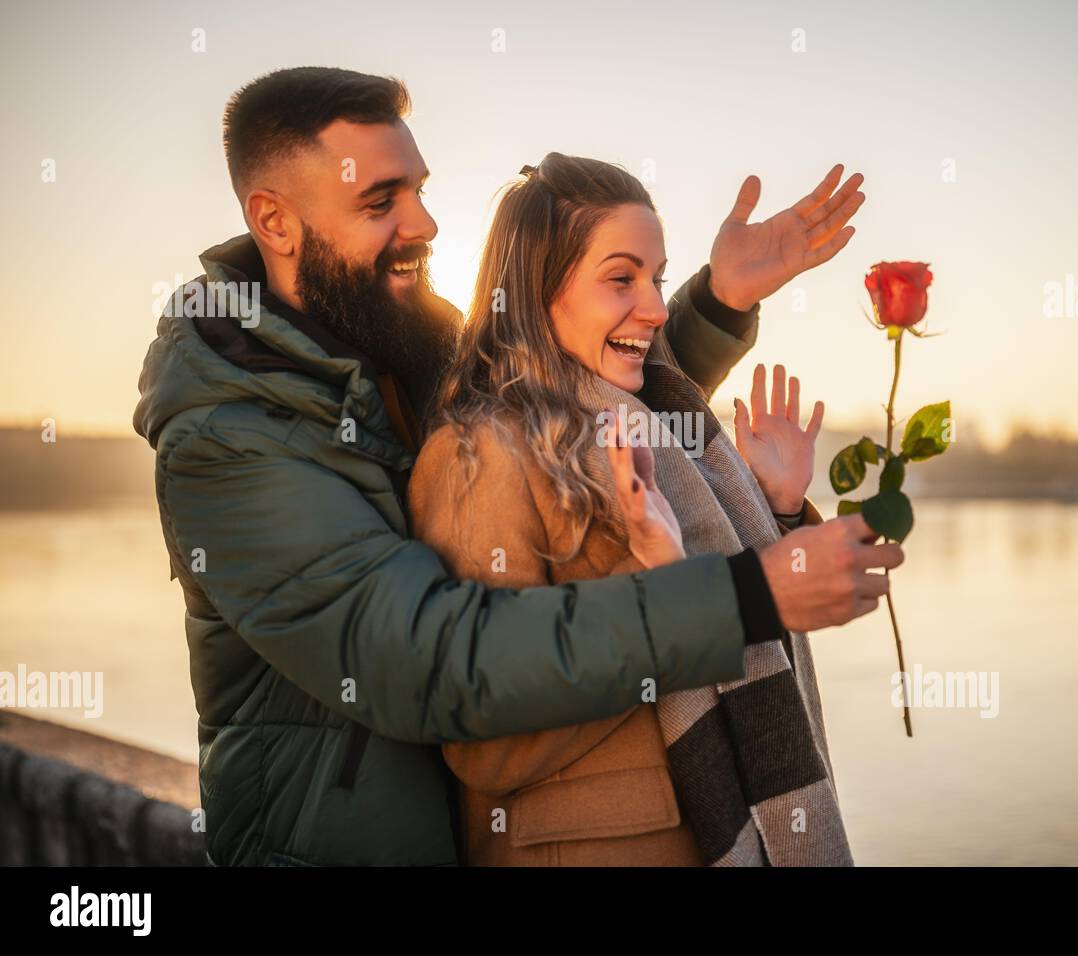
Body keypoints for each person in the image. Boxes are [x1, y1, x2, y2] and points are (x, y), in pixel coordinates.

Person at [133, 66, 899, 866]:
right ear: (275, 220)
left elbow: (573, 422)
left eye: (420, 189)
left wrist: (720, 302)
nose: (424, 222)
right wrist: (740, 598)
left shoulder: (412, 342)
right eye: (380, 200)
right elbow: (428, 663)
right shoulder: (231, 435)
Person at [411, 154, 877, 865]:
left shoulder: (654, 424)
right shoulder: (480, 454)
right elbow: (485, 741)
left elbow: (740, 610)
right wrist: (654, 578)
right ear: (537, 293)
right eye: (621, 278)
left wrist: (775, 511)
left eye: (658, 278)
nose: (657, 307)